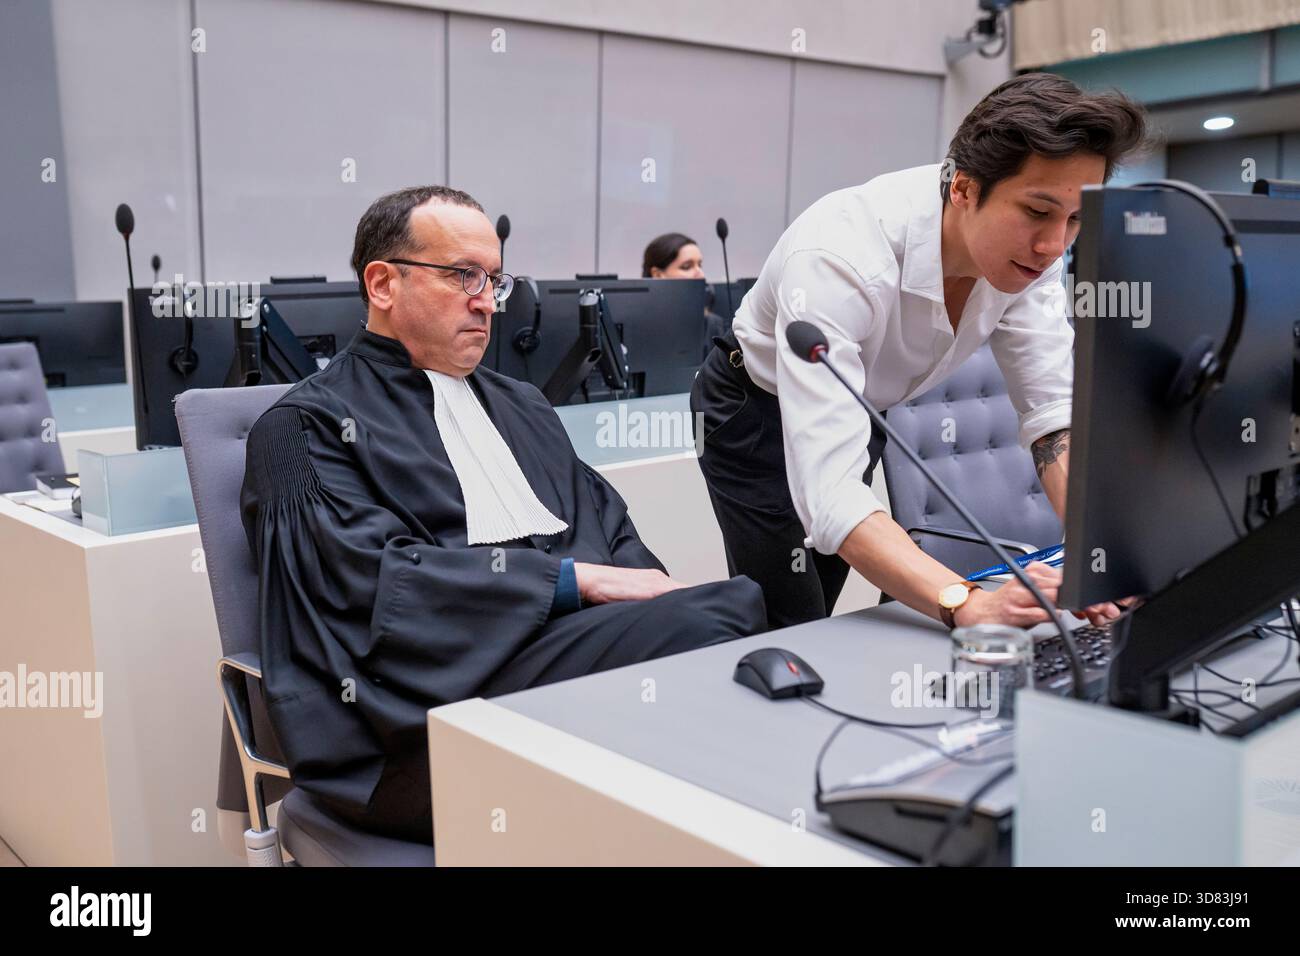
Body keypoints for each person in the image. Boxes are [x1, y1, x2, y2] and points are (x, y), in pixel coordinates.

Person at [241, 186, 766, 843]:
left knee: (725, 616)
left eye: (494, 279)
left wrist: (635, 596)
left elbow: (609, 532)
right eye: (462, 275)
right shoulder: (301, 426)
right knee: (718, 622)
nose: (486, 300)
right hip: (415, 730)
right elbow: (371, 587)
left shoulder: (521, 405)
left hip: (547, 670)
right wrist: (570, 584)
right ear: (382, 283)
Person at [691, 73, 1147, 631]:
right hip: (751, 409)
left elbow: (1053, 418)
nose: (1054, 246)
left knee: (825, 596)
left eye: (1075, 220)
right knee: (793, 621)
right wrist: (967, 603)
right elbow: (830, 494)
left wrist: (1098, 555)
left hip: (864, 402)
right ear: (963, 188)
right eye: (1036, 212)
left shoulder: (1033, 261)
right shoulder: (840, 258)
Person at [642, 232, 725, 357]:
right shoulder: (638, 325)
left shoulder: (711, 324)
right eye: (687, 267)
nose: (701, 274)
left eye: (700, 265)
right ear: (658, 275)